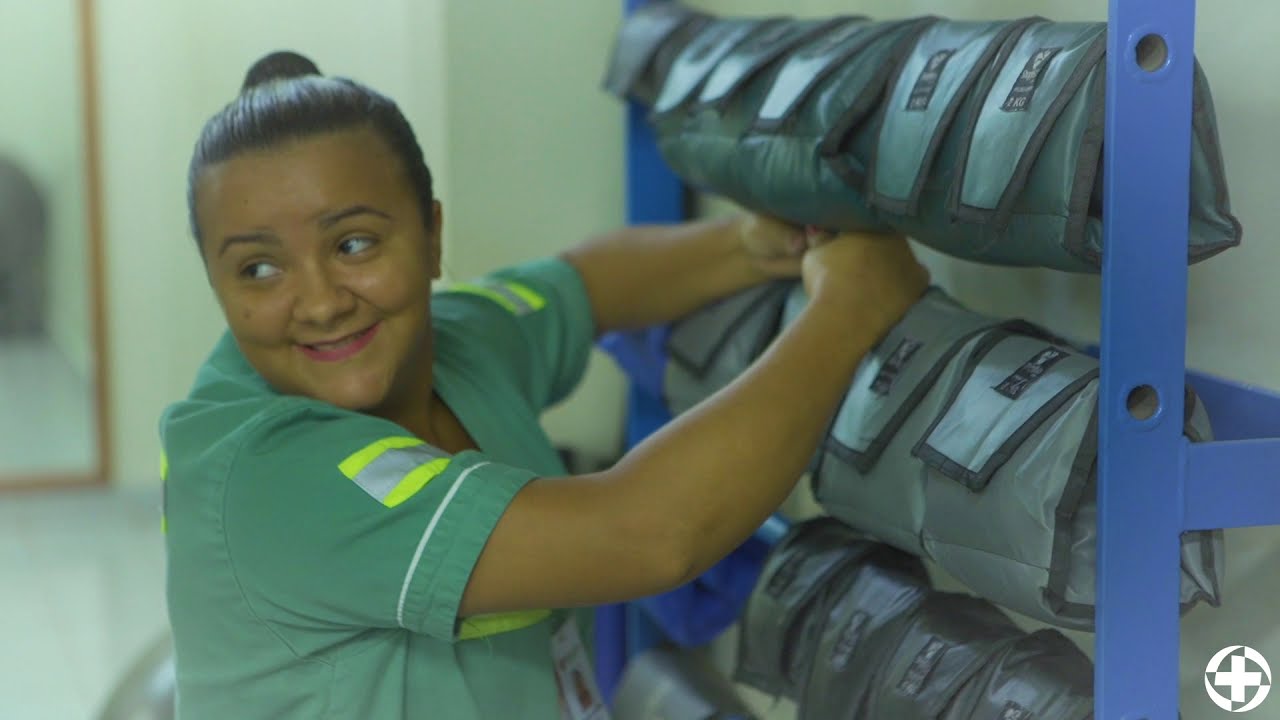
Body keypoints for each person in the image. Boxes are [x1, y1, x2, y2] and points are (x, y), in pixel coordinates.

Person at [160, 50, 928, 719]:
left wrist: (753, 245)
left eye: (354, 243)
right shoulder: (267, 477)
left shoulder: (448, 341)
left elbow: (582, 285)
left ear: (431, 235)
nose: (322, 301)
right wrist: (850, 308)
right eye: (258, 268)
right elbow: (648, 535)